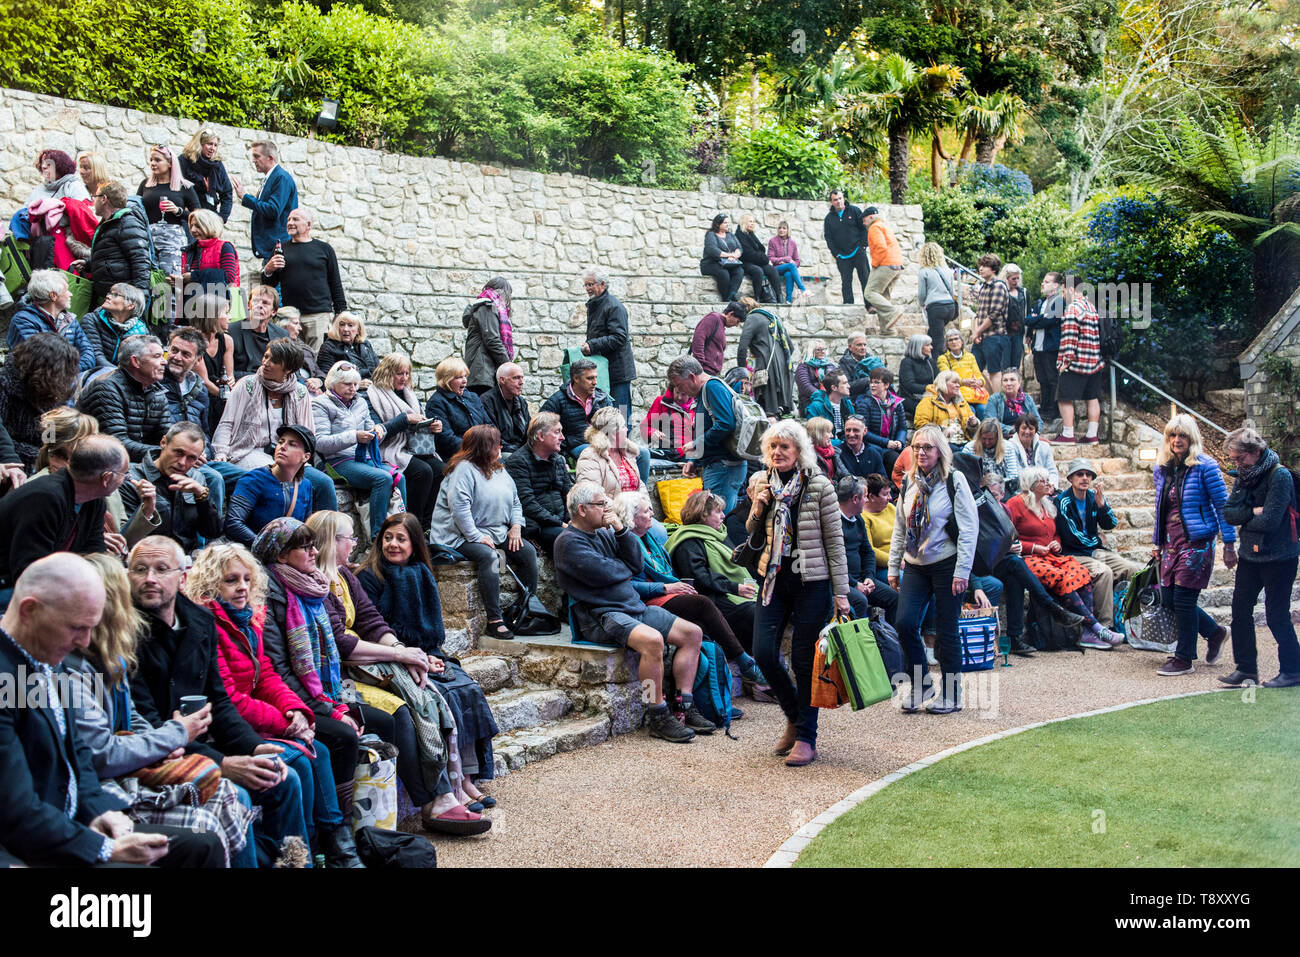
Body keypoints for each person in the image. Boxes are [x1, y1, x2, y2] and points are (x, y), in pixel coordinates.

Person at [0, 553, 225, 868]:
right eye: (76, 628)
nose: (85, 641)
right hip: (27, 845)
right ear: (29, 610)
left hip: (68, 825)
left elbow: (77, 755)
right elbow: (15, 812)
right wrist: (102, 849)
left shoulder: (43, 659)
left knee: (203, 847)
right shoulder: (7, 678)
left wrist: (100, 813)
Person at [66, 553, 257, 868]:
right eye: (137, 573)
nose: (145, 584)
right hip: (109, 787)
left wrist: (260, 738)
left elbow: (137, 717)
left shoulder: (113, 655)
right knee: (214, 818)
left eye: (247, 580)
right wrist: (177, 736)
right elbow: (99, 753)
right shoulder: (70, 668)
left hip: (136, 765)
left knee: (281, 772)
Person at [127, 536, 311, 861]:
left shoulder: (200, 621)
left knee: (285, 777)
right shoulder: (126, 633)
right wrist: (222, 764)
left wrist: (253, 745)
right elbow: (148, 725)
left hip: (205, 740)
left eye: (160, 569)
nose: (150, 578)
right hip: (161, 755)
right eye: (140, 569)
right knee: (238, 794)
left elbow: (220, 700)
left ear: (182, 577)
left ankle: (295, 862)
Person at [183, 543, 361, 865]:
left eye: (247, 579)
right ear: (211, 583)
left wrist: (296, 710)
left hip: (254, 719)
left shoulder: (246, 619)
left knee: (316, 750)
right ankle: (306, 855)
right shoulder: (209, 623)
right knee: (304, 760)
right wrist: (286, 723)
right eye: (231, 580)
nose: (242, 588)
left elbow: (265, 674)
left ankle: (327, 844)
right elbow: (229, 698)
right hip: (229, 731)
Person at [356, 512, 501, 815]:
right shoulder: (368, 577)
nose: (393, 544)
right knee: (442, 697)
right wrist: (415, 655)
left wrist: (431, 655)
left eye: (401, 539)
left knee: (466, 688)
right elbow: (374, 627)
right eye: (388, 537)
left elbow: (432, 631)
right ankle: (455, 782)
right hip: (392, 657)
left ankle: (468, 776)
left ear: (414, 544)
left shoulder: (422, 573)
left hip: (428, 651)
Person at [555, 481, 711, 742]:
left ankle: (684, 704)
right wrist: (622, 567)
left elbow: (636, 563)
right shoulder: (568, 542)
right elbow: (608, 574)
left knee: (693, 633)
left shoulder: (606, 532)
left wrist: (619, 530)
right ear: (582, 509)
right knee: (653, 642)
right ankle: (658, 713)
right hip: (601, 616)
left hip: (632, 607)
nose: (608, 509)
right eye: (601, 504)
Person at [744, 420, 849, 764]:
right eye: (772, 447)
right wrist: (757, 507)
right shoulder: (764, 483)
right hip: (772, 578)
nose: (776, 453)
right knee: (762, 652)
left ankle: (807, 736)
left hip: (812, 582)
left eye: (784, 447)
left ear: (799, 451)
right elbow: (752, 535)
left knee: (804, 661)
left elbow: (835, 543)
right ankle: (793, 715)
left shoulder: (820, 487)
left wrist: (842, 592)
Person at [619, 490, 767, 688]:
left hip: (675, 592)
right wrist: (665, 587)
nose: (653, 515)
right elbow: (697, 576)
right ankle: (746, 664)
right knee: (710, 608)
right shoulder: (682, 541)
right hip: (651, 599)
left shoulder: (650, 539)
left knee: (705, 629)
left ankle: (709, 697)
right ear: (632, 517)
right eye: (647, 511)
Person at [888, 425, 977, 714]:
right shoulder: (908, 482)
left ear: (940, 451)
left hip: (947, 564)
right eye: (916, 447)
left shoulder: (954, 480)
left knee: (947, 631)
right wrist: (892, 566)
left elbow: (968, 529)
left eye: (928, 447)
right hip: (915, 564)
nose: (921, 452)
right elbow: (900, 527)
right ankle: (922, 683)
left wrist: (962, 572)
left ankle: (953, 694)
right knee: (904, 623)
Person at [430, 424, 537, 640]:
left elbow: (515, 501)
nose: (500, 446)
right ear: (482, 446)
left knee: (527, 552)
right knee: (490, 556)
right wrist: (477, 537)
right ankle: (494, 620)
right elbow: (459, 509)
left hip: (497, 531)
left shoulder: (500, 468)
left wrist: (516, 526)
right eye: (495, 443)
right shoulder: (463, 469)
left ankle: (528, 609)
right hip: (458, 535)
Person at [210, 338, 337, 514]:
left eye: (274, 361)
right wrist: (221, 452)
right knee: (275, 483)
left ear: (288, 369)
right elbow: (227, 423)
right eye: (265, 357)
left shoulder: (300, 393)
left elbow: (308, 435)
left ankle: (326, 535)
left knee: (324, 483)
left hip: (289, 455)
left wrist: (299, 458)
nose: (265, 363)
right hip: (250, 451)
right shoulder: (247, 385)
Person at [0, 434, 126, 604]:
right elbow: (30, 572)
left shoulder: (94, 501)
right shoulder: (45, 498)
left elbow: (94, 556)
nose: (125, 479)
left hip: (46, 583)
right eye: (124, 474)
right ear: (107, 478)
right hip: (11, 585)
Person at [1008, 467, 1126, 649]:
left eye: (1048, 480)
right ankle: (1094, 626)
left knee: (1080, 572)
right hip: (1027, 558)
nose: (1049, 484)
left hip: (1051, 556)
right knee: (1060, 576)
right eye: (1044, 481)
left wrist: (1057, 544)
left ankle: (1087, 633)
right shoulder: (1015, 504)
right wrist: (1034, 547)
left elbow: (1055, 534)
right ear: (1031, 485)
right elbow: (1007, 539)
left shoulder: (1047, 504)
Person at [1151, 415, 1233, 676]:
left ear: (1191, 438)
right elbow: (1160, 509)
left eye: (1182, 435)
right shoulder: (1162, 468)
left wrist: (1229, 543)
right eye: (1173, 436)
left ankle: (1183, 658)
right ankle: (1214, 631)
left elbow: (1223, 506)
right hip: (1171, 543)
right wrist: (1156, 542)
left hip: (1197, 542)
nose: (1177, 440)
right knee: (1168, 598)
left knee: (1184, 599)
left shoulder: (1205, 466)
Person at [1220, 427, 1300, 688]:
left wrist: (1247, 515)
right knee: (1239, 611)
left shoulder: (1280, 476)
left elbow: (1270, 521)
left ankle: (1293, 669)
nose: (1237, 464)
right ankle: (1246, 669)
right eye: (1233, 460)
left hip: (1280, 557)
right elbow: (1229, 513)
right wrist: (1253, 510)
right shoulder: (1245, 475)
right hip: (1250, 557)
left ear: (1255, 452)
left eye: (1239, 459)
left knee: (1276, 615)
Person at [312, 361, 404, 540]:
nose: (352, 388)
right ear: (332, 383)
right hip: (334, 461)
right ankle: (378, 536)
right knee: (382, 478)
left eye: (355, 384)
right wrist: (354, 436)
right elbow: (320, 443)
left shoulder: (360, 402)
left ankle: (401, 530)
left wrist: (378, 431)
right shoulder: (320, 404)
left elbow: (370, 427)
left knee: (399, 477)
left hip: (361, 458)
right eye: (347, 384)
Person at [1055, 457, 1145, 626]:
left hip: (1094, 551)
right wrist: (1097, 539)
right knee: (1104, 572)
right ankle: (1105, 625)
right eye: (1080, 474)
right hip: (1073, 554)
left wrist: (1102, 505)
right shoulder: (1062, 502)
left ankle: (1129, 622)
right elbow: (1072, 538)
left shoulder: (1093, 497)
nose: (1085, 478)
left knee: (1132, 570)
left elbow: (1111, 524)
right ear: (1070, 478)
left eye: (1088, 475)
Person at [118, 422, 221, 553]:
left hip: (187, 560)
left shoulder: (197, 478)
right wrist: (147, 510)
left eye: (191, 458)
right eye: (178, 452)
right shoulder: (132, 479)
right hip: (147, 558)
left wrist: (202, 497)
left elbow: (212, 532)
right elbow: (123, 542)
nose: (182, 463)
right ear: (163, 442)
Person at [367, 353, 441, 532]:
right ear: (387, 372)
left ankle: (426, 527)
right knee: (422, 472)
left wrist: (434, 425)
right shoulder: (371, 395)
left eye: (407, 374)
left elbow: (419, 419)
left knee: (440, 469)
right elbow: (378, 432)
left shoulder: (409, 394)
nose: (404, 378)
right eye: (399, 373)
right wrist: (405, 420)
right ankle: (411, 526)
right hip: (390, 448)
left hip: (412, 447)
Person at [668, 355, 748, 513]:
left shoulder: (712, 388)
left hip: (724, 468)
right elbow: (707, 428)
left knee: (716, 521)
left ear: (692, 377)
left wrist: (696, 444)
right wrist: (694, 460)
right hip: (719, 466)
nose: (679, 390)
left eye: (679, 385)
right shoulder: (703, 392)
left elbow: (725, 424)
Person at [260, 208, 346, 351]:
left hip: (318, 315)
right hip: (290, 316)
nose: (290, 223)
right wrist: (268, 269)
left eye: (295, 219)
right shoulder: (280, 250)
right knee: (290, 356)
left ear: (308, 225)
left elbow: (335, 282)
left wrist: (340, 311)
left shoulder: (324, 249)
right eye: (288, 220)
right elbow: (269, 284)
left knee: (316, 357)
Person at [77, 334, 170, 462]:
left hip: (140, 461)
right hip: (102, 463)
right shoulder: (106, 389)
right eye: (157, 356)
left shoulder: (158, 392)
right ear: (135, 361)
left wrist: (183, 449)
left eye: (163, 356)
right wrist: (168, 453)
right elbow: (116, 444)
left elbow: (165, 435)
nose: (164, 361)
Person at [225, 424, 315, 546]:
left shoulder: (305, 486)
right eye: (281, 442)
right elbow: (233, 524)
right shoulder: (254, 479)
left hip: (284, 559)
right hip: (251, 556)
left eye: (292, 444)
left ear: (306, 457)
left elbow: (303, 528)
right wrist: (265, 547)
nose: (282, 447)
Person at [0, 333, 79, 470]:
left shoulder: (51, 391)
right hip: (11, 461)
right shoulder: (5, 384)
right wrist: (39, 456)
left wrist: (50, 455)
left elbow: (49, 436)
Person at [506, 412, 573, 556]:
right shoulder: (518, 462)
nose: (563, 437)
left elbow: (569, 495)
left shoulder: (559, 460)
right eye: (557, 432)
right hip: (539, 526)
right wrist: (560, 523)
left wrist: (572, 520)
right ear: (541, 436)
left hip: (562, 522)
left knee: (600, 534)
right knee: (572, 540)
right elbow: (527, 503)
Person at [6, 269, 98, 373]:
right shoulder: (23, 321)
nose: (70, 294)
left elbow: (88, 353)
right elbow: (40, 362)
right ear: (53, 296)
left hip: (69, 377)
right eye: (66, 290)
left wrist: (70, 373)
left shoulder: (69, 319)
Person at [837, 476, 900, 626]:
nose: (866, 501)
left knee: (894, 598)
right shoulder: (835, 522)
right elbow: (833, 560)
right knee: (860, 601)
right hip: (841, 582)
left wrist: (869, 577)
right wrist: (854, 584)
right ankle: (859, 644)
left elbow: (868, 552)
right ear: (855, 499)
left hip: (861, 578)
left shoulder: (858, 519)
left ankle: (891, 643)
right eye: (865, 497)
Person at [581, 268, 637, 421]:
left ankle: (622, 443)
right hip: (604, 370)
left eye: (590, 284)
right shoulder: (597, 305)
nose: (587, 289)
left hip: (618, 373)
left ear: (603, 284)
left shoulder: (614, 306)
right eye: (585, 285)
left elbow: (619, 337)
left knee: (621, 414)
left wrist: (592, 345)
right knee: (605, 415)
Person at [84, 181, 153, 307]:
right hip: (113, 298)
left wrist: (139, 299)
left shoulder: (126, 221)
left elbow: (141, 261)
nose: (93, 202)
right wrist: (87, 264)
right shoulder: (110, 222)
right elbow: (111, 257)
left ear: (104, 199)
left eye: (95, 197)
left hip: (124, 301)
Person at [1054, 276, 1105, 444]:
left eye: (1062, 291)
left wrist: (1064, 362)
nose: (1062, 295)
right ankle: (1092, 435)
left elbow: (1070, 338)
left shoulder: (1072, 309)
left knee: (1064, 397)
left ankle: (1068, 434)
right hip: (1094, 362)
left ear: (1070, 289)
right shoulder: (1091, 307)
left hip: (1076, 363)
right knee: (1092, 397)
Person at [136, 145, 200, 278]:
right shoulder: (145, 184)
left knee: (170, 281)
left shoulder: (184, 186)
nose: (153, 163)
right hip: (148, 238)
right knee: (147, 279)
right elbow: (137, 209)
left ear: (170, 163)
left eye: (157, 160)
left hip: (173, 240)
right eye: (151, 160)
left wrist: (179, 211)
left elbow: (199, 216)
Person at [232, 140, 298, 260]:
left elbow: (273, 210)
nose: (253, 160)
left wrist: (246, 197)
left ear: (270, 158)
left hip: (277, 248)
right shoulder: (273, 177)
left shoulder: (281, 178)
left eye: (257, 156)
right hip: (272, 249)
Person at [736, 296, 797, 417]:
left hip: (766, 369)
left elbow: (742, 348)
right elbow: (790, 347)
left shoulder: (752, 318)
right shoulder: (774, 318)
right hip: (785, 370)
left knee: (766, 411)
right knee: (781, 413)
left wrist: (742, 372)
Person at [539, 356, 612, 454]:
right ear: (576, 378)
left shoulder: (602, 398)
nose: (595, 382)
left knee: (639, 452)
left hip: (604, 444)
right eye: (590, 378)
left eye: (595, 377)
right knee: (595, 452)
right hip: (576, 447)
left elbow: (615, 425)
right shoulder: (558, 400)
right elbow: (541, 429)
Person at [425, 355, 494, 459]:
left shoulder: (473, 397)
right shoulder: (436, 403)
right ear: (446, 380)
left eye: (465, 376)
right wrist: (476, 450)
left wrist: (491, 445)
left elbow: (489, 425)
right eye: (459, 377)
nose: (465, 380)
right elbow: (446, 439)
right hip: (459, 457)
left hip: (483, 452)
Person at [178, 209, 239, 320]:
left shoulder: (224, 247)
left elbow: (229, 276)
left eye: (198, 226)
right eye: (191, 226)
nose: (192, 230)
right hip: (191, 309)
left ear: (209, 225)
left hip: (216, 309)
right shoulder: (190, 250)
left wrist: (193, 276)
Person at [459, 277, 516, 396]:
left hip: (484, 372)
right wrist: (508, 367)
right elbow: (492, 340)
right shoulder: (487, 306)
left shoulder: (487, 306)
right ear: (503, 292)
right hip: (483, 373)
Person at [577, 407, 648, 499]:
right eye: (623, 426)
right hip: (611, 512)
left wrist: (647, 508)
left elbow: (641, 487)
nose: (626, 429)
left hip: (636, 510)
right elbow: (593, 497)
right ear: (613, 432)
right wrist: (623, 512)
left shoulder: (626, 452)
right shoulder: (590, 456)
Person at [1026, 271, 1065, 429]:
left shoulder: (1059, 302)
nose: (1043, 284)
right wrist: (1035, 322)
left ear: (1055, 286)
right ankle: (1043, 406)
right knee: (1041, 378)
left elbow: (1050, 320)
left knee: (1052, 378)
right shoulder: (1040, 302)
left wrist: (1036, 320)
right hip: (1038, 347)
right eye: (1043, 281)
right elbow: (1029, 319)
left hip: (1051, 347)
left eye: (1047, 281)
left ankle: (1052, 409)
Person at [161, 325, 213, 443]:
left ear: (198, 360)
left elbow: (205, 433)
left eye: (185, 354)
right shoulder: (154, 381)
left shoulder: (200, 390)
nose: (177, 357)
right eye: (174, 350)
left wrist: (204, 451)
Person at [79, 283, 149, 368]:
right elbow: (95, 355)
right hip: (95, 373)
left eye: (115, 295)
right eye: (109, 293)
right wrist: (118, 374)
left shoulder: (141, 330)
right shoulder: (92, 319)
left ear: (130, 305)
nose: (108, 296)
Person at [230, 284, 289, 378]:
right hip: (243, 384)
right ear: (249, 305)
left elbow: (290, 368)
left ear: (274, 311)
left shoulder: (282, 334)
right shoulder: (231, 331)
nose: (259, 306)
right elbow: (226, 372)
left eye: (265, 303)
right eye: (256, 301)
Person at [971, 253, 1011, 394]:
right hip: (982, 336)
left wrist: (977, 332)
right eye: (980, 266)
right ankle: (990, 399)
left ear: (993, 269)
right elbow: (979, 314)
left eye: (984, 266)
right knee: (975, 370)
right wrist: (976, 332)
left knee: (994, 371)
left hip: (995, 336)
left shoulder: (998, 286)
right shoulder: (984, 287)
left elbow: (994, 315)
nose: (980, 269)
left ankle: (998, 404)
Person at [855, 367, 906, 474]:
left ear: (886, 385)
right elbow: (863, 432)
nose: (872, 385)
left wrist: (899, 441)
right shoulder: (864, 404)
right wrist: (886, 442)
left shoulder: (897, 403)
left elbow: (902, 428)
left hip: (892, 445)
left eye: (877, 382)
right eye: (871, 382)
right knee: (894, 459)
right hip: (872, 446)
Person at [178, 127, 234, 222]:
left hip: (210, 218)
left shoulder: (217, 165)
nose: (213, 148)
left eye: (215, 145)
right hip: (189, 217)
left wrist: (222, 218)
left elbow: (227, 193)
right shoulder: (184, 161)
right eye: (209, 144)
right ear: (200, 144)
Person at [862, 206, 905, 331]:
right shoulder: (884, 226)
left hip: (885, 264)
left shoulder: (874, 228)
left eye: (864, 220)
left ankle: (893, 311)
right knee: (883, 297)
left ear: (870, 217)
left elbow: (881, 248)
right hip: (897, 265)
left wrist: (874, 264)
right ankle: (887, 330)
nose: (863, 223)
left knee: (870, 293)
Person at [823, 189, 868, 305]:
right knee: (846, 282)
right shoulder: (829, 218)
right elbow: (828, 238)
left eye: (840, 199)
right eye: (835, 200)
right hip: (842, 256)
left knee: (865, 279)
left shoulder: (854, 211)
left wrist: (863, 246)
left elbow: (863, 228)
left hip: (858, 252)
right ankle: (848, 305)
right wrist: (836, 253)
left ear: (843, 198)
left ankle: (870, 305)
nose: (838, 202)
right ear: (831, 202)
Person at [936, 328, 989, 418]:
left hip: (974, 394)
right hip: (957, 394)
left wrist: (980, 381)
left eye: (956, 338)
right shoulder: (943, 359)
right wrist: (964, 382)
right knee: (970, 411)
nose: (954, 342)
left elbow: (978, 374)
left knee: (983, 410)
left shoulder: (970, 356)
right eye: (950, 340)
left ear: (961, 341)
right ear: (947, 344)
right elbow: (947, 377)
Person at [913, 370, 978, 441]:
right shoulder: (928, 401)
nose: (958, 385)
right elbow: (920, 425)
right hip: (942, 443)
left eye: (958, 383)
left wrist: (973, 425)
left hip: (964, 442)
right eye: (954, 382)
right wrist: (942, 430)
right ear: (943, 384)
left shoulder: (962, 403)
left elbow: (972, 432)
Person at [481, 362, 530, 455]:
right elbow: (492, 435)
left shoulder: (521, 402)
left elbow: (529, 430)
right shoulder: (487, 401)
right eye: (516, 378)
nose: (521, 382)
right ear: (502, 380)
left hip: (521, 449)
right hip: (501, 450)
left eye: (522, 377)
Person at [642, 380, 696, 461]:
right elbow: (645, 427)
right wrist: (652, 431)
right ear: (672, 389)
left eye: (684, 394)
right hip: (666, 450)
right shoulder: (660, 402)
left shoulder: (697, 406)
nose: (679, 397)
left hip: (688, 452)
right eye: (677, 392)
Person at [699, 213, 748, 301]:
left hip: (728, 263)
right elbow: (713, 250)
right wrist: (730, 255)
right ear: (718, 224)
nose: (727, 224)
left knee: (739, 271)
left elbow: (739, 248)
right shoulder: (711, 235)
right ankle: (726, 298)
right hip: (711, 264)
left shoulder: (730, 235)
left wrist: (735, 255)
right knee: (724, 273)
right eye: (725, 223)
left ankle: (732, 294)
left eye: (728, 223)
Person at [917, 241, 957, 346]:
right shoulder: (948, 270)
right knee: (934, 332)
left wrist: (922, 305)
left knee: (937, 340)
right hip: (950, 307)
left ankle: (937, 360)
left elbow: (921, 294)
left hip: (936, 308)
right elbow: (952, 291)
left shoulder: (924, 271)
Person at [690, 301, 747, 376]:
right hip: (704, 370)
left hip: (710, 371)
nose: (736, 325)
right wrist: (699, 365)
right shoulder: (713, 318)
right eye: (737, 321)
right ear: (731, 314)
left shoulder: (720, 324)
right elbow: (698, 339)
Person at [278, 307, 326, 391]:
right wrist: (309, 384)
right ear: (282, 325)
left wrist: (319, 381)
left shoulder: (303, 346)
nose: (300, 328)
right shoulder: (277, 347)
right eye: (296, 323)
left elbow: (317, 370)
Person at [736, 213, 780, 303]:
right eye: (750, 221)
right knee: (758, 271)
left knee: (772, 270)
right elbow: (747, 254)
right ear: (744, 222)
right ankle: (758, 297)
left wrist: (763, 259)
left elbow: (761, 249)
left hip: (756, 261)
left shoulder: (751, 234)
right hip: (745, 263)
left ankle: (779, 296)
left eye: (753, 222)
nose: (752, 224)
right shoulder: (739, 235)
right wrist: (765, 259)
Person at [985, 368, 1039, 438]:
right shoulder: (994, 399)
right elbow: (990, 423)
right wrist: (1013, 430)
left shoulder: (1027, 398)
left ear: (1019, 383)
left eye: (1012, 380)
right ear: (1001, 384)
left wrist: (1032, 431)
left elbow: (1038, 421)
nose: (1008, 383)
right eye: (1005, 380)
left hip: (1028, 436)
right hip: (1005, 438)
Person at [24, 149, 90, 205]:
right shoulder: (40, 188)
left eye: (49, 164)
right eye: (42, 163)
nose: (43, 166)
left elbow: (82, 213)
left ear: (61, 167)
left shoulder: (74, 186)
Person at [972, 417, 1020, 494]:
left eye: (990, 439)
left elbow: (1013, 475)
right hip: (978, 490)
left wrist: (995, 486)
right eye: (984, 439)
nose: (987, 442)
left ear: (998, 437)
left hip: (1003, 489)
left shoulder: (1008, 447)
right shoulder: (970, 447)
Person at [1009, 413, 1059, 486]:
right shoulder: (1010, 447)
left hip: (1044, 488)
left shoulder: (1044, 447)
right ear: (1017, 429)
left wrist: (1051, 485)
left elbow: (1052, 471)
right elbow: (1015, 474)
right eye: (1024, 428)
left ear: (1035, 430)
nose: (1027, 432)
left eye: (1031, 428)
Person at [898, 333, 940, 419]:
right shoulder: (906, 362)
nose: (931, 347)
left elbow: (938, 380)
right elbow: (909, 385)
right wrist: (928, 387)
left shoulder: (930, 362)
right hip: (910, 398)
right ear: (918, 347)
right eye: (928, 345)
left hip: (929, 396)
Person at [806, 368, 855, 440]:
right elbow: (815, 437)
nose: (849, 386)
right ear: (834, 387)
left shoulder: (847, 404)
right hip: (826, 446)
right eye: (845, 383)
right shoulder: (815, 407)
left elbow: (853, 428)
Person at [767, 220, 809, 302]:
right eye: (779, 228)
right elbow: (770, 258)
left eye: (784, 228)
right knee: (791, 266)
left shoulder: (793, 243)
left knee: (789, 274)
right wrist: (784, 259)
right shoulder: (773, 241)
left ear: (788, 230)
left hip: (787, 268)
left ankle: (788, 300)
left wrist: (790, 262)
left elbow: (797, 261)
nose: (781, 230)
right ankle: (803, 289)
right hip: (776, 269)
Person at [837, 415, 887, 481]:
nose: (851, 434)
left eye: (856, 430)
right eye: (848, 430)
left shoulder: (874, 453)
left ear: (865, 431)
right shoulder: (837, 454)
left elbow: (884, 482)